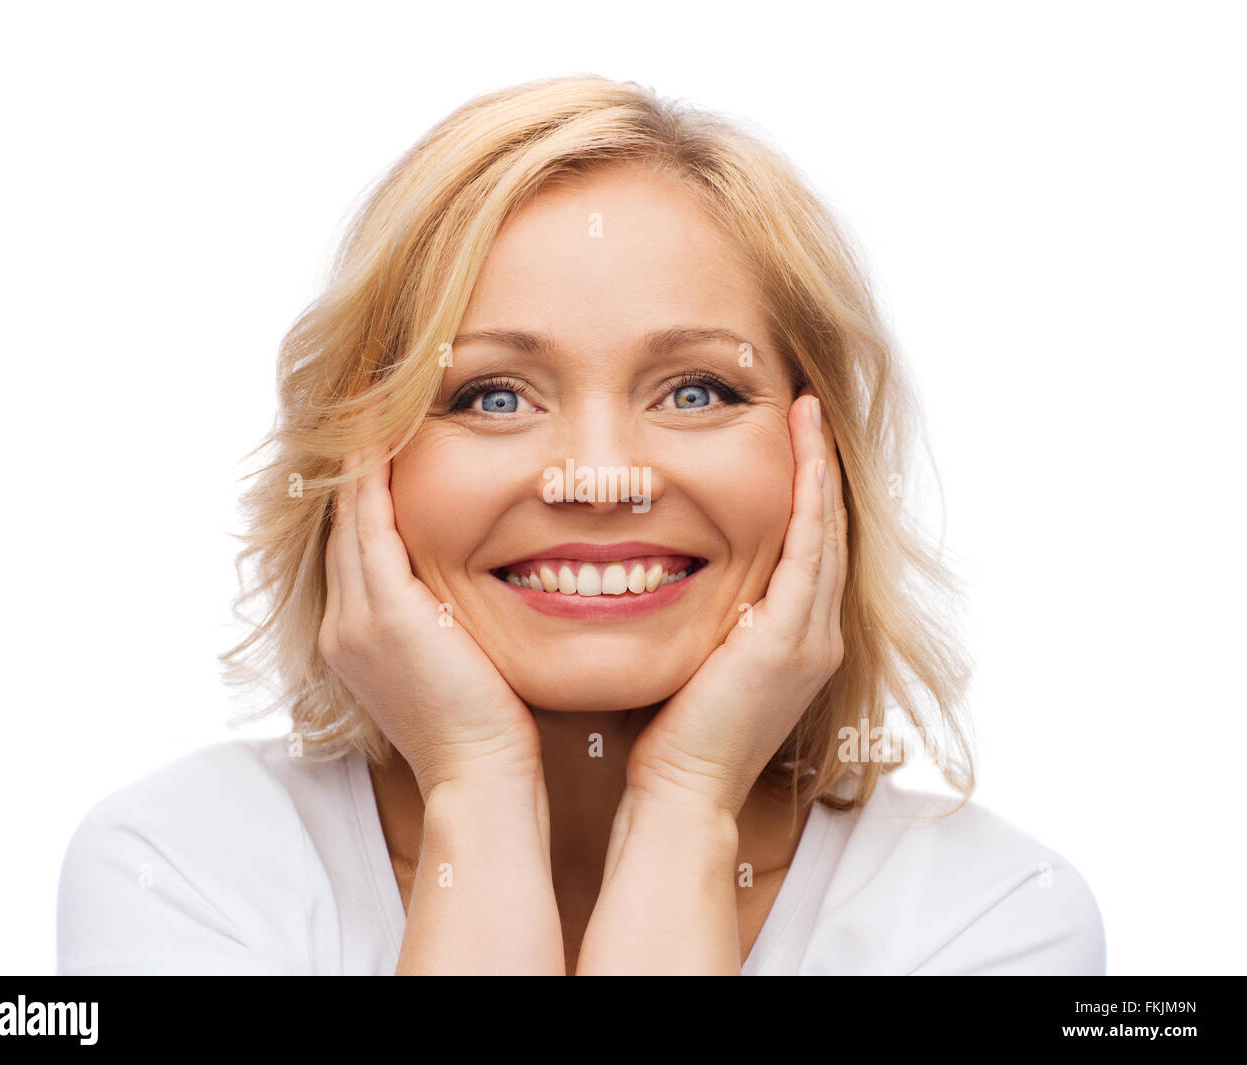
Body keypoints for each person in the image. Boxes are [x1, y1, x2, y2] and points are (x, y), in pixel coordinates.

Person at [57, 74, 1105, 975]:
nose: (598, 480)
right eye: (492, 397)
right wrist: (476, 789)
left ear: (817, 461)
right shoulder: (182, 866)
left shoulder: (990, 916)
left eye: (694, 391)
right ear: (357, 466)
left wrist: (684, 810)